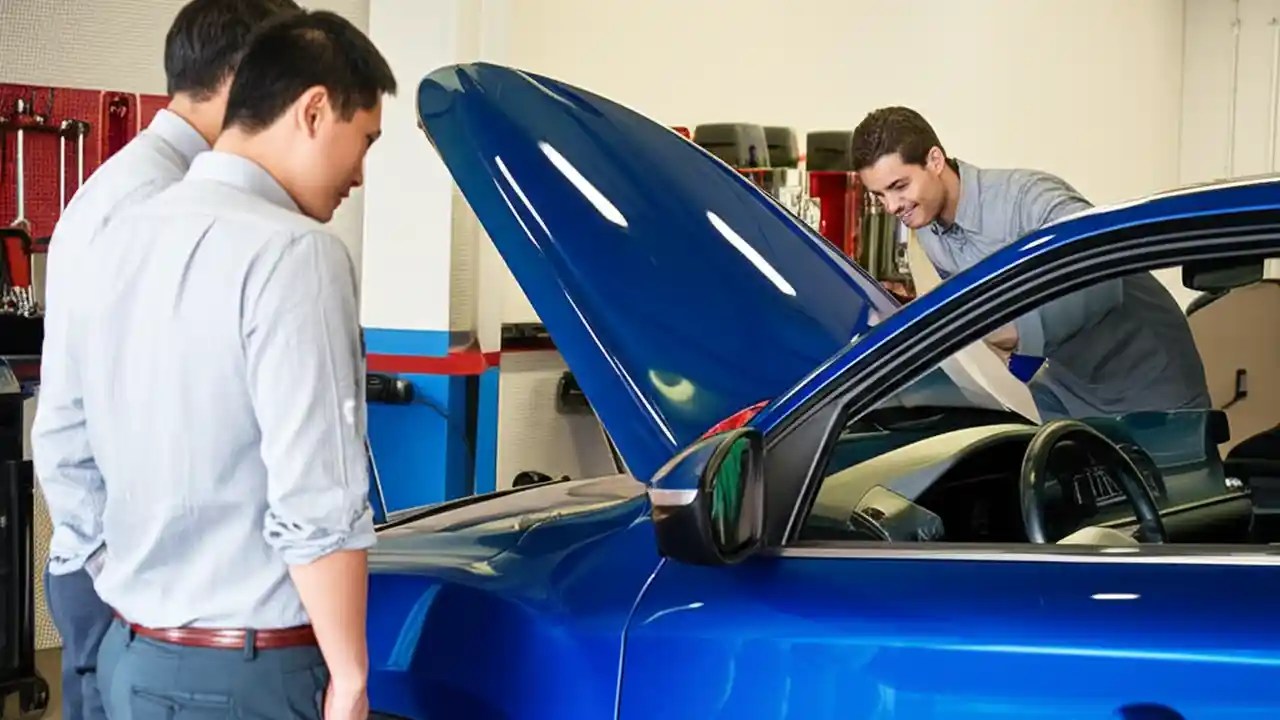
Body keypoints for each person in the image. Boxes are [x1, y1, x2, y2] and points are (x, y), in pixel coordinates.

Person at [49, 10, 394, 720]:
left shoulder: (118, 231)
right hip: (250, 672)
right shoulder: (296, 253)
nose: (359, 174)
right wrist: (352, 680)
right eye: (363, 142)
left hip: (132, 654)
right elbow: (317, 506)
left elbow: (71, 432)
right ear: (314, 109)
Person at [30, 1, 300, 718]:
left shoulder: (141, 185)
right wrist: (119, 574)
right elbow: (101, 412)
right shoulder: (158, 200)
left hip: (127, 574)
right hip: (126, 581)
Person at [850, 106, 1210, 420]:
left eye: (899, 186)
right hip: (1068, 388)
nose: (893, 206)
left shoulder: (1028, 198)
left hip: (1152, 383)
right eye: (879, 195)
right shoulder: (927, 227)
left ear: (934, 161)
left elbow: (1103, 274)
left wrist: (1015, 330)